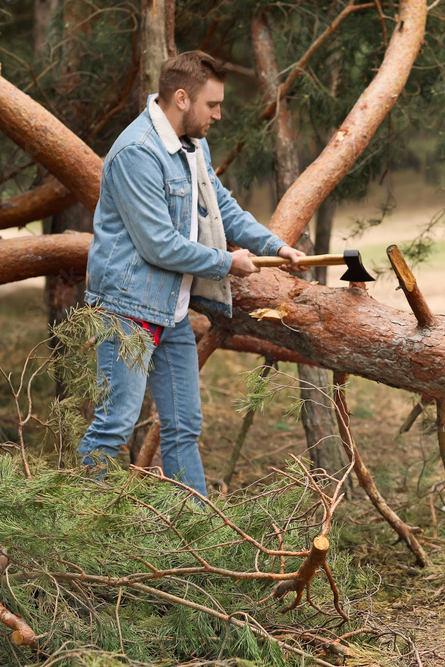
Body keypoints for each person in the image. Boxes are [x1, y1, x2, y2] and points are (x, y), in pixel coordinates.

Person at [78, 51, 305, 496]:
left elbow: (221, 207)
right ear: (182, 98)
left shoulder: (192, 145)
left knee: (184, 425)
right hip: (127, 311)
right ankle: (84, 534)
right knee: (114, 426)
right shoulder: (137, 152)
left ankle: (199, 538)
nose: (218, 115)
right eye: (212, 105)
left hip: (171, 310)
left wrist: (272, 244)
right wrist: (227, 263)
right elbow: (158, 244)